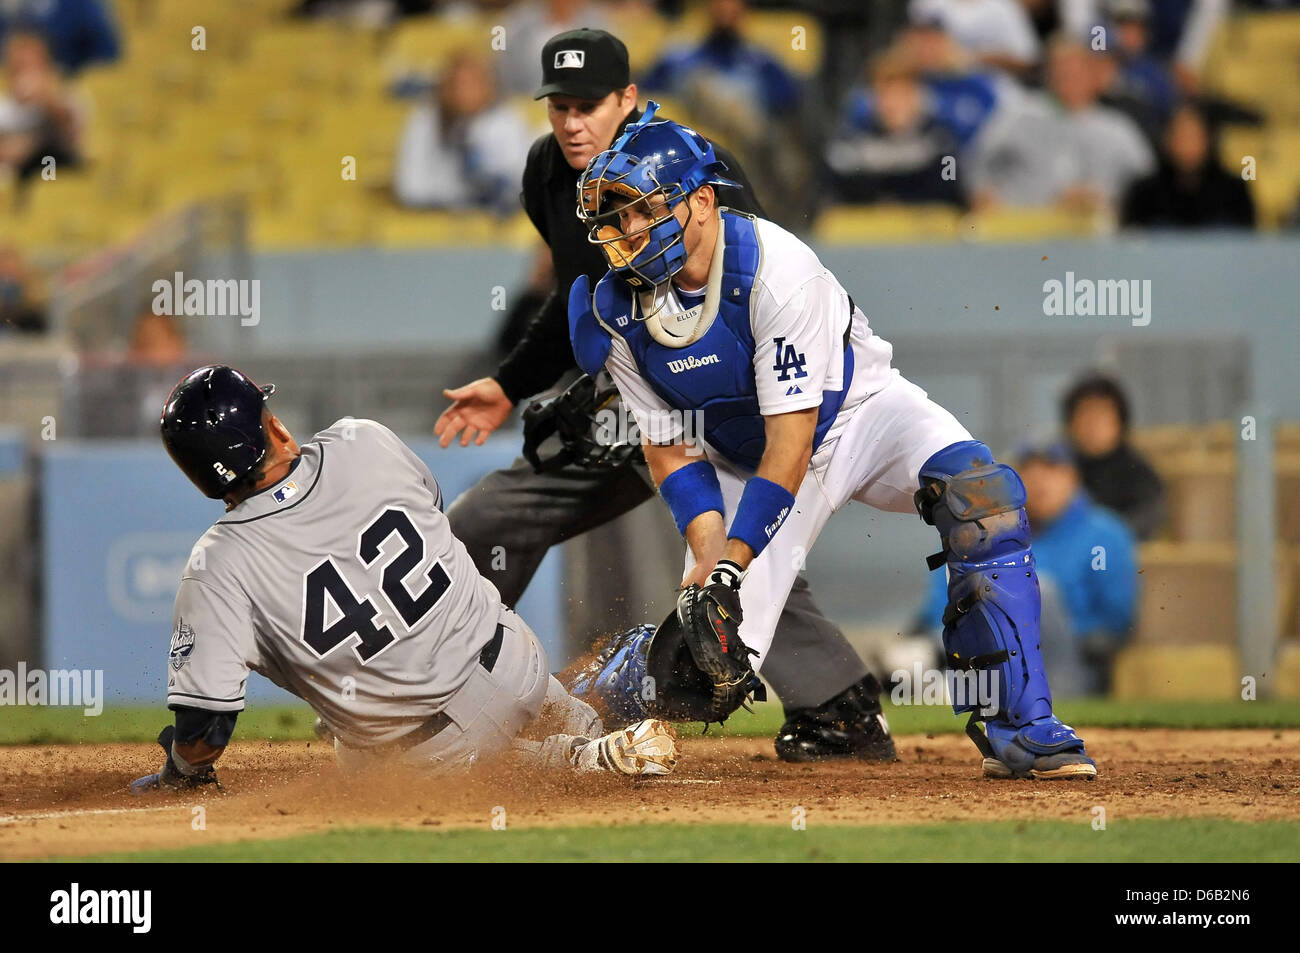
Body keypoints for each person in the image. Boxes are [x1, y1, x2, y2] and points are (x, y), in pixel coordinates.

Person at [567, 105, 1097, 779]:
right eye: (616, 215)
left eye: (639, 209)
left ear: (700, 201)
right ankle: (573, 697)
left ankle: (1022, 728)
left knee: (983, 500)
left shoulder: (775, 268)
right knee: (702, 672)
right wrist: (708, 558)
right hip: (739, 458)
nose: (626, 230)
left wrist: (733, 564)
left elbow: (792, 441)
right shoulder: (615, 311)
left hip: (858, 412)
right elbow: (670, 446)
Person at [434, 29, 897, 764]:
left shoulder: (693, 170)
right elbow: (578, 295)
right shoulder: (548, 172)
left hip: (723, 400)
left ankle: (838, 708)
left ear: (628, 99)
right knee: (487, 517)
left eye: (589, 105)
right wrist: (509, 382)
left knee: (729, 556)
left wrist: (662, 409)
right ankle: (437, 691)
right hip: (633, 399)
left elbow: (751, 304)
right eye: (559, 106)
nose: (572, 122)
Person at [129, 364, 679, 793]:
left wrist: (182, 770)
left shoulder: (218, 566)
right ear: (274, 426)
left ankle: (580, 760)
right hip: (515, 658)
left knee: (364, 760)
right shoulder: (360, 440)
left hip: (435, 745)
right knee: (491, 669)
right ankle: (582, 720)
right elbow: (433, 514)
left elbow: (205, 729)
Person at [917, 440, 1138, 696]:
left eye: (1051, 470)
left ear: (1073, 478)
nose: (1039, 481)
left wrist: (1046, 631)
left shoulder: (1103, 534)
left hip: (1064, 666)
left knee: (1036, 589)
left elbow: (1115, 620)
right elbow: (938, 606)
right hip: (982, 659)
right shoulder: (983, 532)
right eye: (1028, 473)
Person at [969, 36, 1153, 212]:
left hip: (1094, 233)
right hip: (1025, 227)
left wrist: (1108, 200)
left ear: (1092, 75)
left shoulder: (1117, 128)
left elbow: (1146, 185)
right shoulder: (1016, 117)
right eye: (1060, 70)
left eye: (1076, 70)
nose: (1068, 77)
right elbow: (976, 160)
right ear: (1048, 76)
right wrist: (982, 191)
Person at [392, 51, 534, 214]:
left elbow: (523, 182)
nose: (465, 91)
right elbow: (410, 188)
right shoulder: (425, 120)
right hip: (436, 223)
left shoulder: (507, 119)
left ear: (489, 86)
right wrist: (462, 192)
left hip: (496, 225)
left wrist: (493, 186)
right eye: (458, 84)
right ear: (444, 88)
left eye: (474, 83)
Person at [824, 51, 966, 207]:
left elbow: (948, 191)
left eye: (901, 94)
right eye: (884, 95)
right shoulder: (852, 140)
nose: (893, 104)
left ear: (916, 96)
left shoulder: (942, 139)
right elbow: (840, 185)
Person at [1061, 372, 1167, 539]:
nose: (1093, 425)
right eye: (1085, 415)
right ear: (1070, 423)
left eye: (1101, 416)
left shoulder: (1139, 474)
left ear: (1120, 422)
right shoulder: (1055, 467)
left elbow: (1143, 522)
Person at [1121, 101, 1255, 229]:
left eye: (1193, 137)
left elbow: (1248, 242)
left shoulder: (1235, 191)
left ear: (1208, 140)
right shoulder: (1144, 194)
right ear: (1167, 140)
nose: (1186, 145)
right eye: (1180, 136)